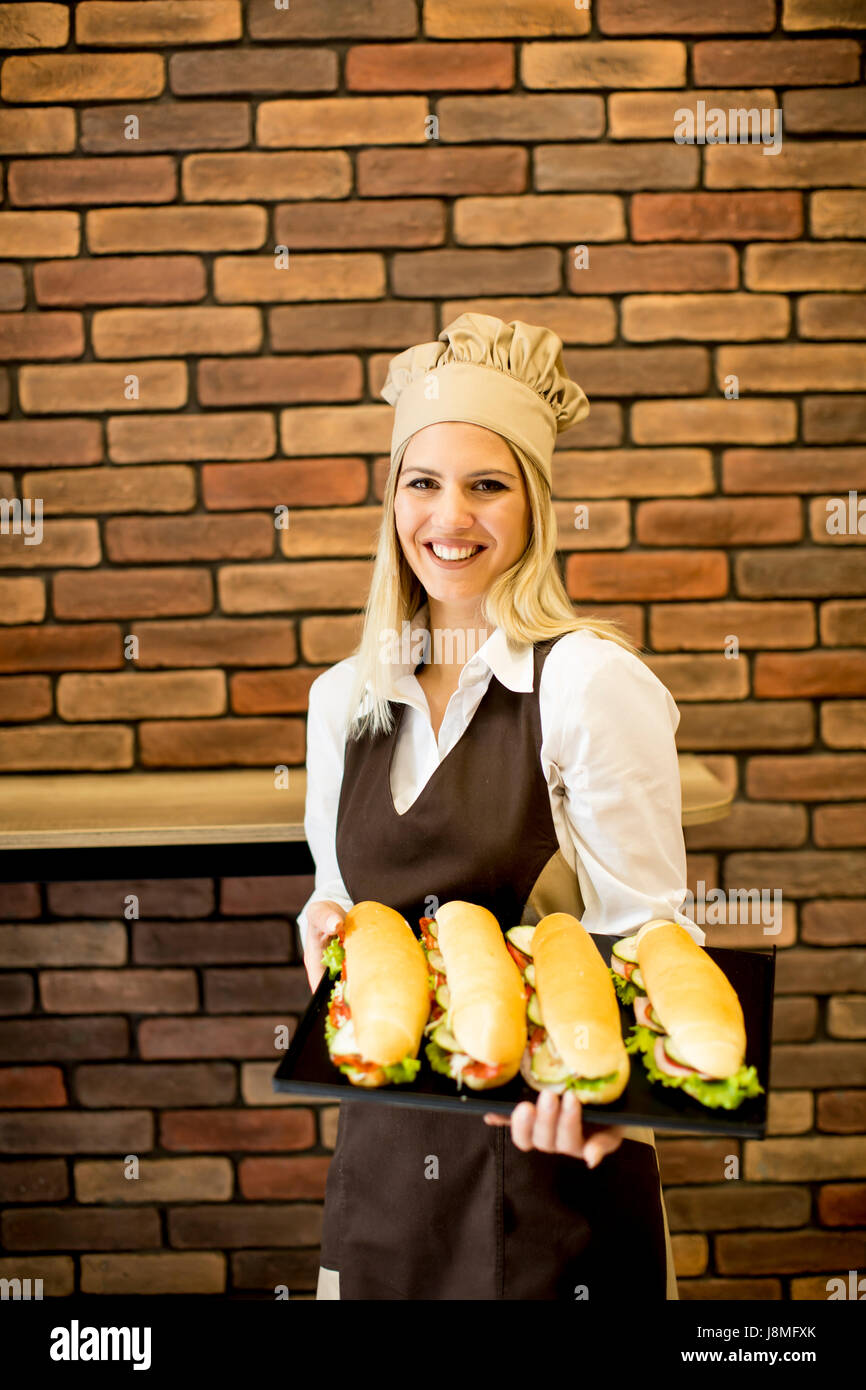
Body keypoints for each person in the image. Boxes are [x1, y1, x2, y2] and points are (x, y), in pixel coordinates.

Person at [297, 313, 704, 1301]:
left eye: (489, 484)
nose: (451, 516)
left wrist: (615, 1098)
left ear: (535, 506)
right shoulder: (342, 695)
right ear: (392, 498)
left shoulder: (586, 682)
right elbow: (339, 905)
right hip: (384, 1161)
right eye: (422, 482)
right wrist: (325, 948)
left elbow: (652, 932)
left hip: (548, 1160)